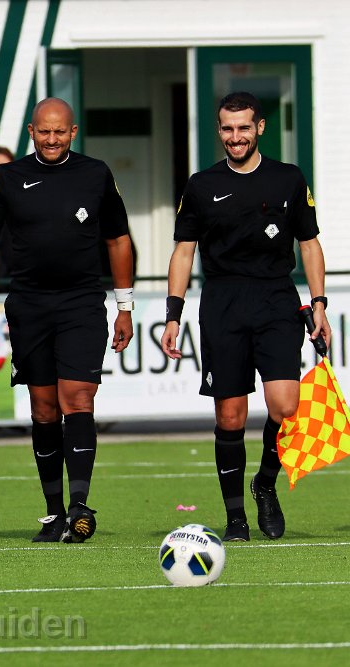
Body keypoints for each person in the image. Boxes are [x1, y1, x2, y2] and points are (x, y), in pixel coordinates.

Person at [160, 92, 330, 542]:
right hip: (223, 303)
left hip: (276, 299)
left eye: (243, 128)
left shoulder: (288, 178)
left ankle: (265, 482)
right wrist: (173, 314)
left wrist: (319, 303)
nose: (235, 136)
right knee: (231, 417)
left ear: (260, 128)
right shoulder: (200, 185)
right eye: (227, 128)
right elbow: (183, 251)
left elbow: (309, 244)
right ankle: (235, 518)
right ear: (219, 130)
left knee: (285, 406)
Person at [0, 97, 134, 544]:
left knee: (77, 397)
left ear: (73, 132)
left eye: (60, 131)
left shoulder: (96, 174)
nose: (52, 139)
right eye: (44, 131)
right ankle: (54, 512)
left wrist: (125, 305)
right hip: (29, 306)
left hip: (82, 303)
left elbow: (119, 240)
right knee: (43, 407)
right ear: (31, 131)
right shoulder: (6, 178)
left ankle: (80, 505)